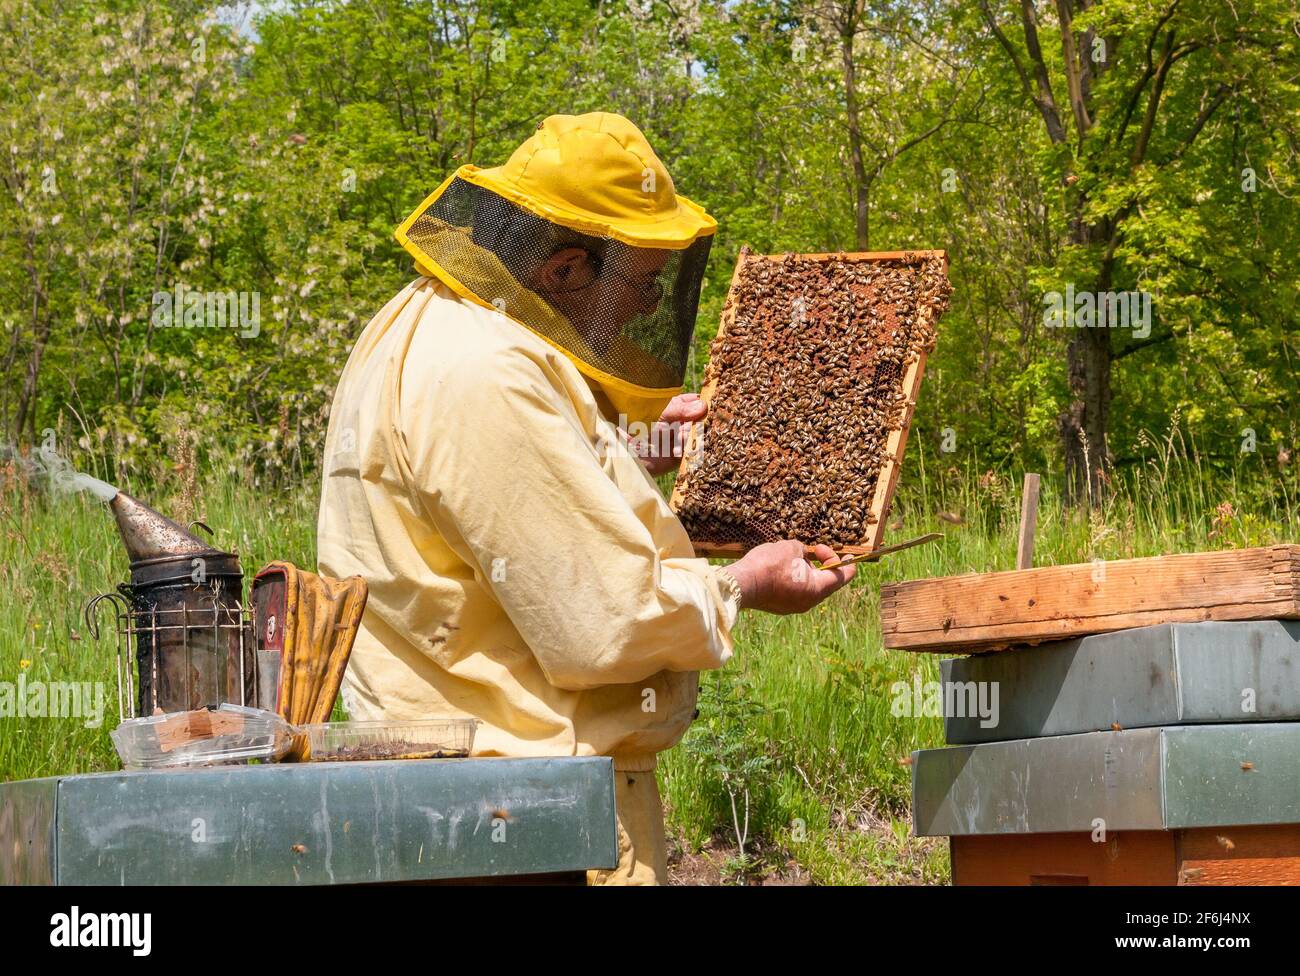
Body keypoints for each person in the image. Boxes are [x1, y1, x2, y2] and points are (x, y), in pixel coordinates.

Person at [317, 111, 855, 885]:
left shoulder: (419, 325)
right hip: (526, 819)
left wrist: (620, 453)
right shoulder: (488, 376)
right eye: (639, 282)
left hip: (459, 805)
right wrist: (743, 584)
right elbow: (603, 624)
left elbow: (491, 510)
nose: (644, 308)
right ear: (564, 271)